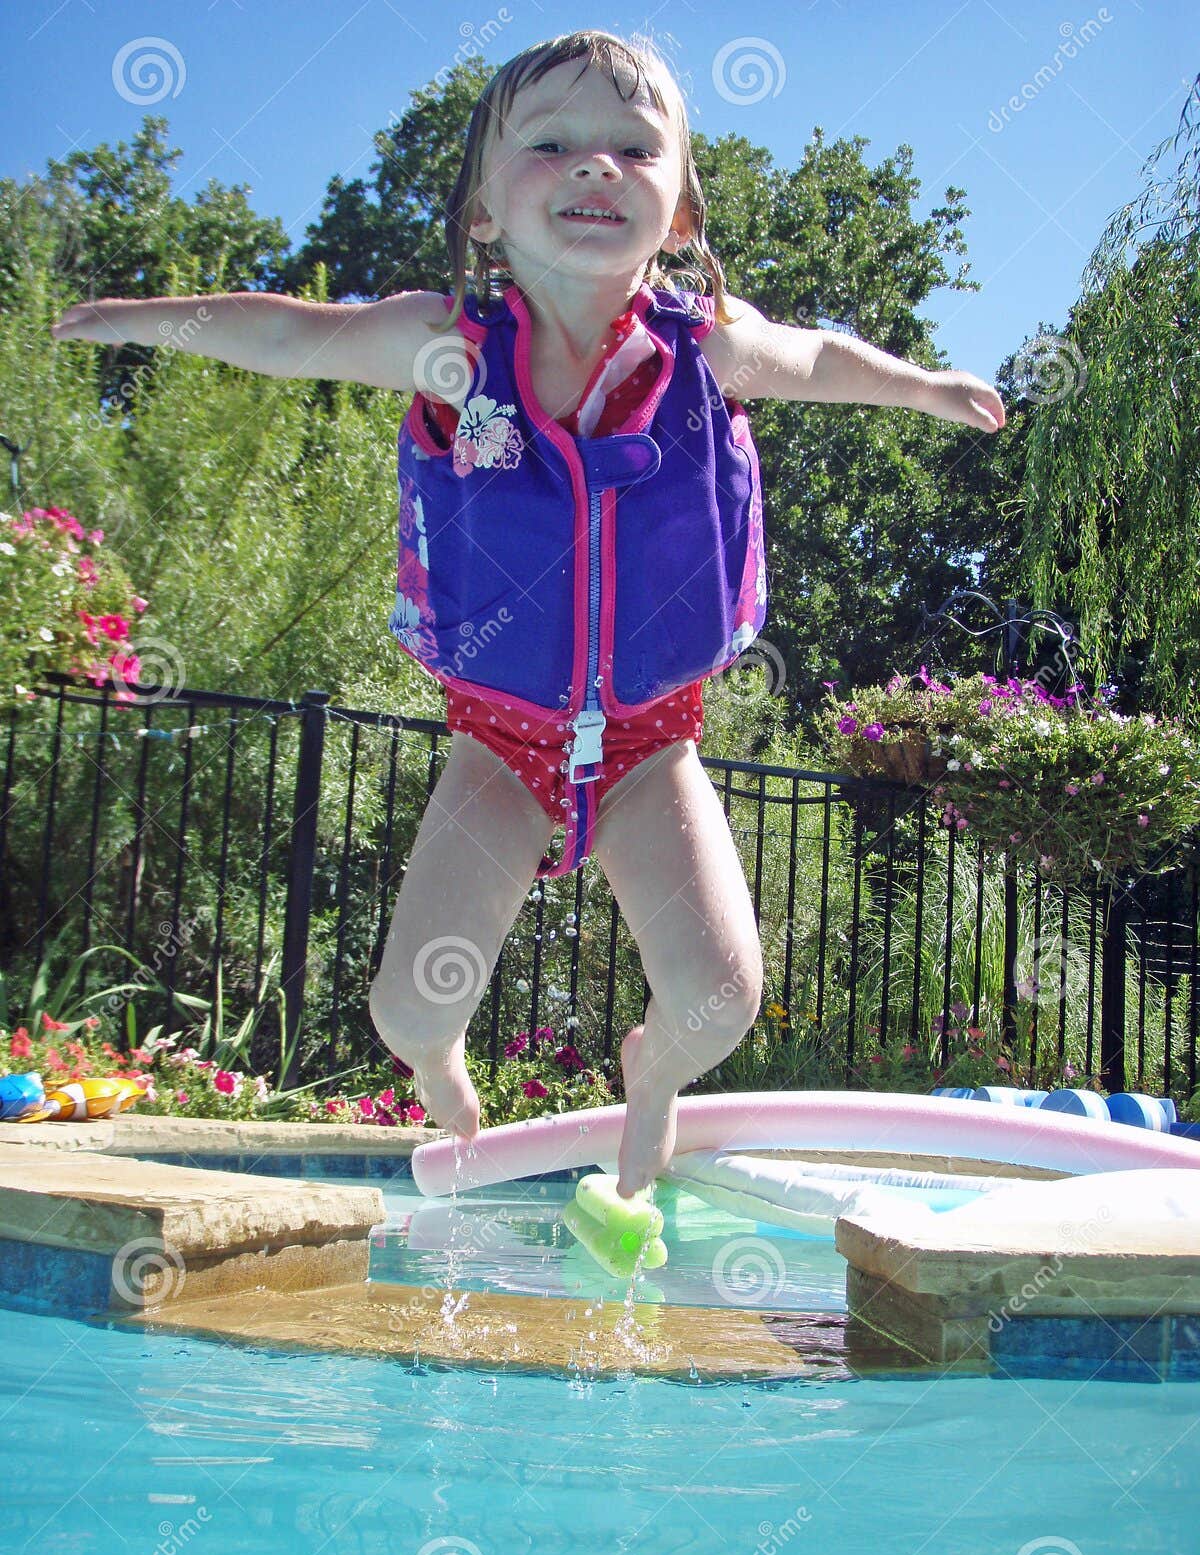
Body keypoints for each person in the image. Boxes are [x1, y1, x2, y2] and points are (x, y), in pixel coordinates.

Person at [52, 29, 1005, 1199]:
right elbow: (295, 335)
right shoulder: (450, 349)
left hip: (654, 740)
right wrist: (147, 317)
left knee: (721, 996)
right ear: (486, 212)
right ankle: (441, 1067)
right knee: (407, 1001)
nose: (595, 168)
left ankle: (652, 1074)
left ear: (682, 215)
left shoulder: (708, 350)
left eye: (632, 149)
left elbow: (817, 359)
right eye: (551, 145)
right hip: (499, 743)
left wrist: (924, 387)